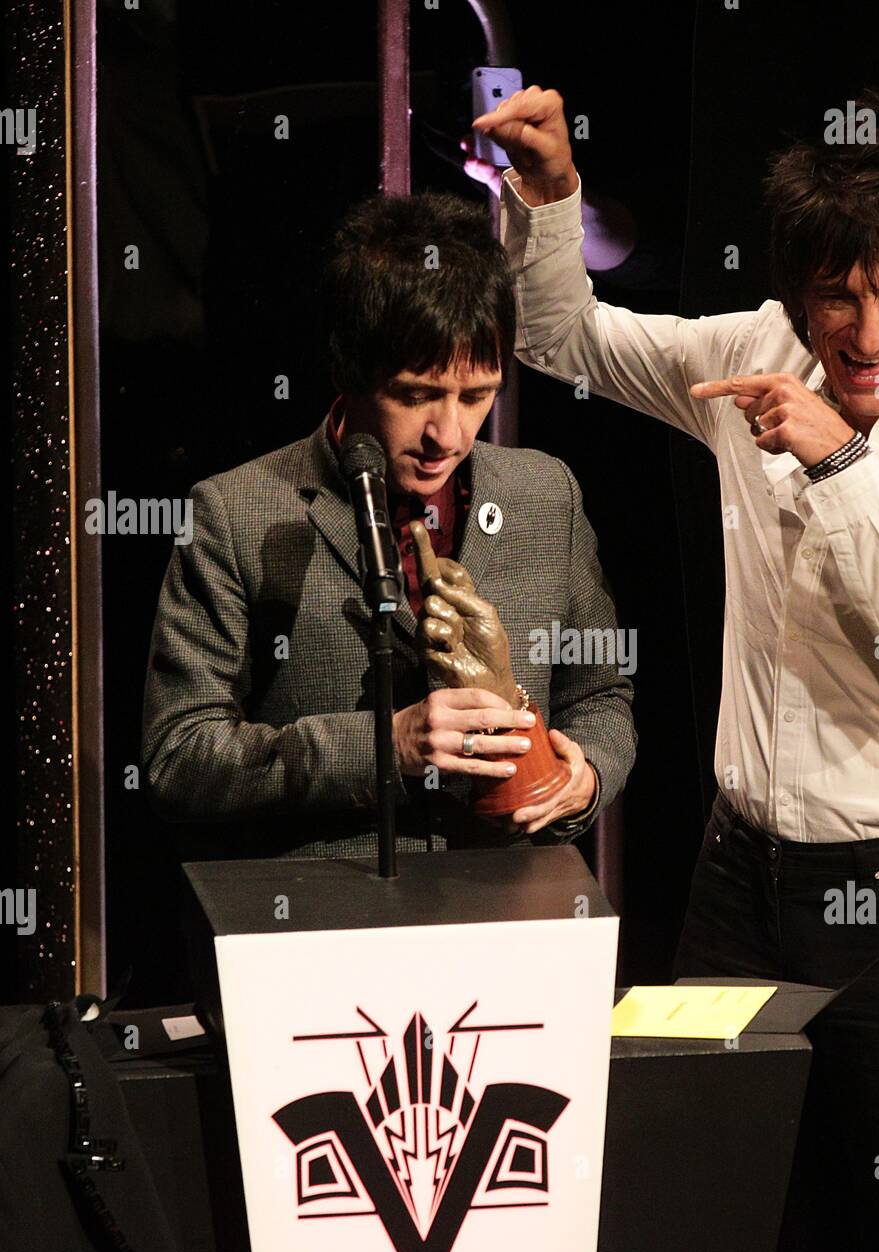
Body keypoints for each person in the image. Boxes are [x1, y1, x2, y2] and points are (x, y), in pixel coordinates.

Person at [476, 86, 879, 1252]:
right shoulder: (757, 358)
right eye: (837, 296)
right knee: (707, 1237)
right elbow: (564, 338)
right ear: (799, 296)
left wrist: (838, 462)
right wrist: (548, 199)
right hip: (735, 887)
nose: (863, 330)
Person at [142, 191, 635, 862]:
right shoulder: (235, 512)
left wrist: (583, 779)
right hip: (316, 924)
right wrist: (387, 744)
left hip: (509, 914)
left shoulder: (545, 493)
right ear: (348, 371)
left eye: (477, 394)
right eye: (415, 395)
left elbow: (601, 693)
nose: (448, 434)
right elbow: (178, 760)